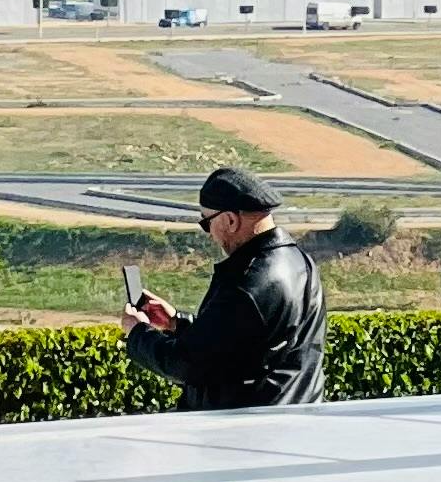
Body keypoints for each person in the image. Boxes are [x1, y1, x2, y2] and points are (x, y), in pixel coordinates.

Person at [124, 167, 326, 408]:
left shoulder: (248, 282)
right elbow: (239, 342)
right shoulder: (300, 261)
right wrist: (177, 323)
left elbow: (189, 364)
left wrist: (137, 333)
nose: (210, 234)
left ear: (230, 220)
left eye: (206, 223)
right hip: (292, 414)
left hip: (248, 423)